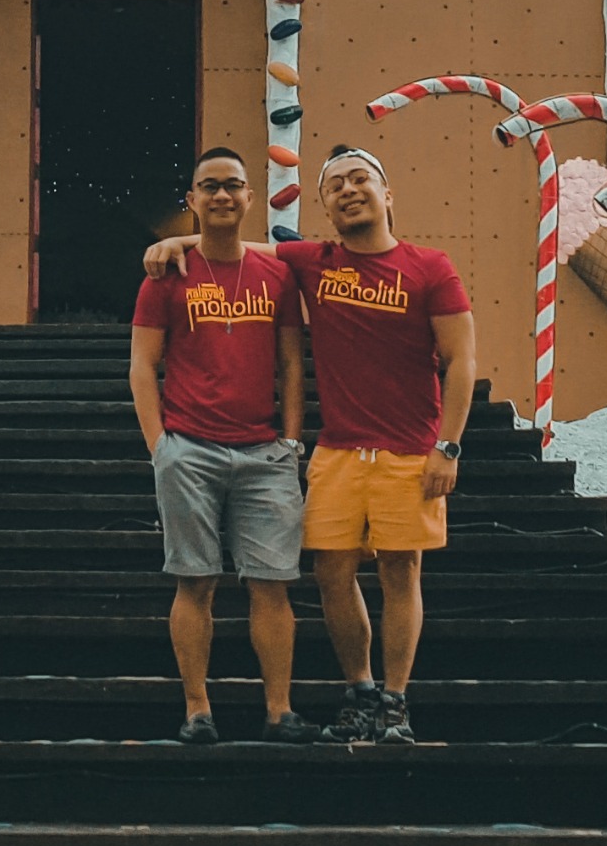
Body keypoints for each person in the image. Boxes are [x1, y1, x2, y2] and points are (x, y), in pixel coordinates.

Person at [145, 141, 476, 745]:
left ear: (387, 192)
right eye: (335, 186)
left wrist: (448, 447)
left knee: (402, 572)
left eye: (361, 180)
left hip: (409, 448)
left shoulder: (432, 266)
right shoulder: (312, 260)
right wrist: (175, 243)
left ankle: (396, 703)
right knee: (330, 573)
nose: (349, 190)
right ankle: (362, 691)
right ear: (324, 204)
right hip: (339, 450)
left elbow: (460, 361)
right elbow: (234, 242)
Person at [129, 146, 321, 746]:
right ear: (191, 199)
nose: (220, 196)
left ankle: (279, 711)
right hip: (190, 448)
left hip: (265, 453)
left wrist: (291, 441)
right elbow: (142, 365)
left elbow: (293, 364)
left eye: (232, 186)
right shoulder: (165, 277)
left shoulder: (278, 275)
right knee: (196, 581)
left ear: (248, 198)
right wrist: (160, 445)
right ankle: (196, 709)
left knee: (272, 584)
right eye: (208, 186)